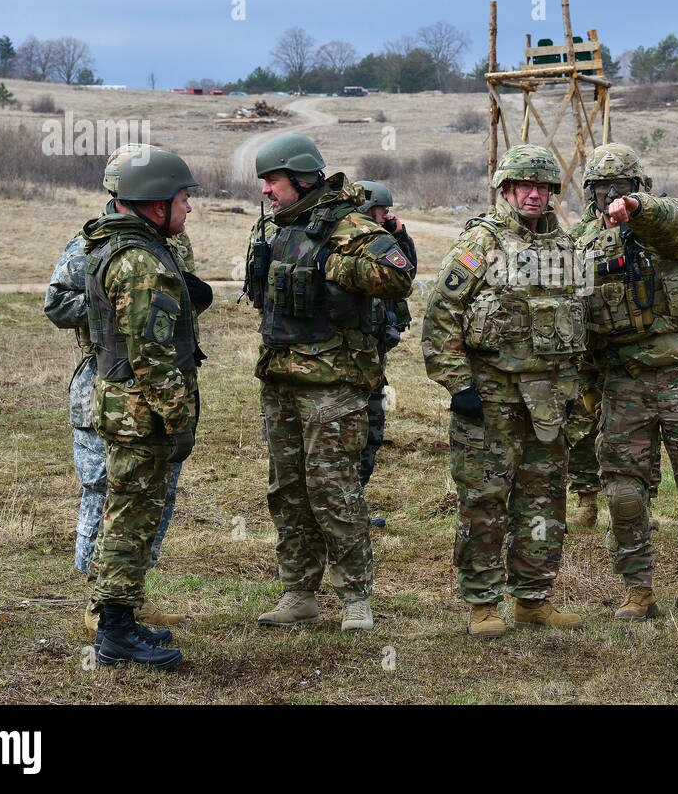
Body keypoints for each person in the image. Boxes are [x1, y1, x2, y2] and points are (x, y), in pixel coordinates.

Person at [244, 134, 414, 632]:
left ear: (300, 177)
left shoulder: (348, 224)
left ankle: (356, 598)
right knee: (288, 489)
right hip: (279, 377)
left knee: (334, 489)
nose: (267, 192)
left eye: (272, 181)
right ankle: (299, 592)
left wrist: (329, 264)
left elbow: (398, 274)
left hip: (333, 381)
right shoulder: (278, 227)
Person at [422, 144, 585, 638]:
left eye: (543, 188)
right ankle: (483, 603)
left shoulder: (567, 248)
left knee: (543, 501)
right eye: (525, 187)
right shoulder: (480, 243)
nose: (534, 195)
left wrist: (576, 389)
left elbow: (578, 322)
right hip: (489, 400)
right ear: (507, 190)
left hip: (548, 402)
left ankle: (534, 599)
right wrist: (459, 385)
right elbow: (440, 316)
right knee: (484, 499)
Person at [45, 145, 208, 636]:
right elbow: (57, 304)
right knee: (109, 493)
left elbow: (163, 310)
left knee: (151, 497)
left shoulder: (166, 242)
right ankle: (102, 605)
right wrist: (112, 312)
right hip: (116, 381)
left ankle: (128, 597)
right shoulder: (97, 243)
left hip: (150, 386)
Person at [574, 143, 678, 624]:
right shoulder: (581, 245)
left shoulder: (669, 225)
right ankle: (637, 590)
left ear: (638, 186)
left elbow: (673, 225)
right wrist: (585, 387)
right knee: (624, 491)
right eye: (603, 188)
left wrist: (637, 212)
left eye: (621, 186)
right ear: (589, 193)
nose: (611, 194)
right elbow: (573, 321)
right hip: (622, 380)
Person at [353, 181, 417, 524]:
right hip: (352, 365)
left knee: (371, 432)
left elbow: (406, 274)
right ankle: (343, 511)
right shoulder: (356, 247)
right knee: (354, 435)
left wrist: (400, 236)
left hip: (372, 362)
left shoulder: (382, 243)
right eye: (382, 212)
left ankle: (353, 505)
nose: (388, 217)